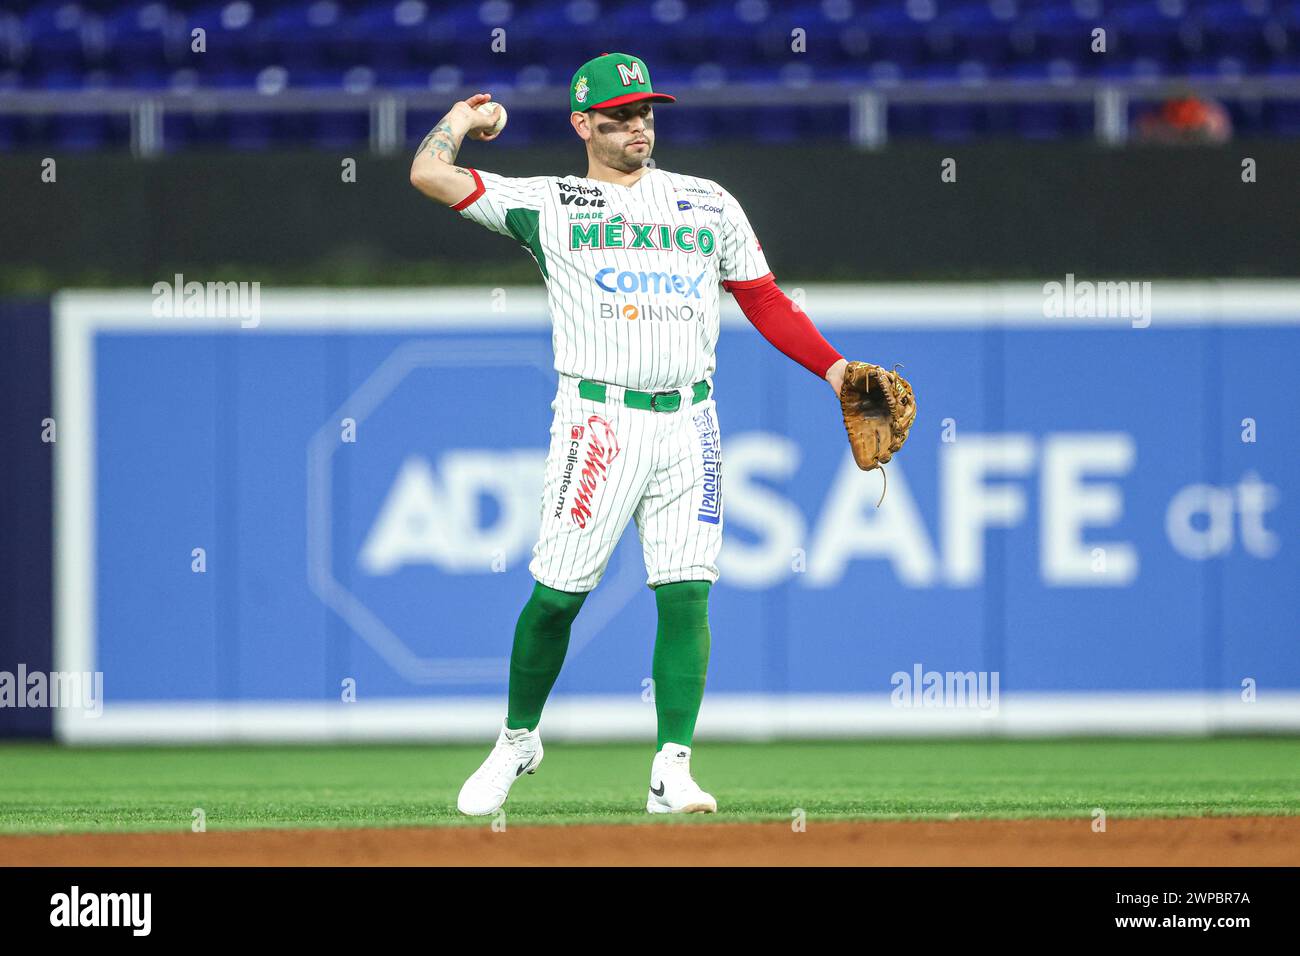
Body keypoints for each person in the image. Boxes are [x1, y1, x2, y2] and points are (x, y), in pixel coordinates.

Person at [410, 52, 850, 816]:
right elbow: (429, 175)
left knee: (688, 595)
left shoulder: (707, 203)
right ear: (583, 124)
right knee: (555, 600)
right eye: (618, 117)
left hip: (691, 420)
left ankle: (670, 768)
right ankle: (518, 740)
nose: (638, 126)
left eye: (645, 112)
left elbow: (765, 300)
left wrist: (836, 371)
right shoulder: (551, 202)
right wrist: (460, 121)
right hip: (597, 420)